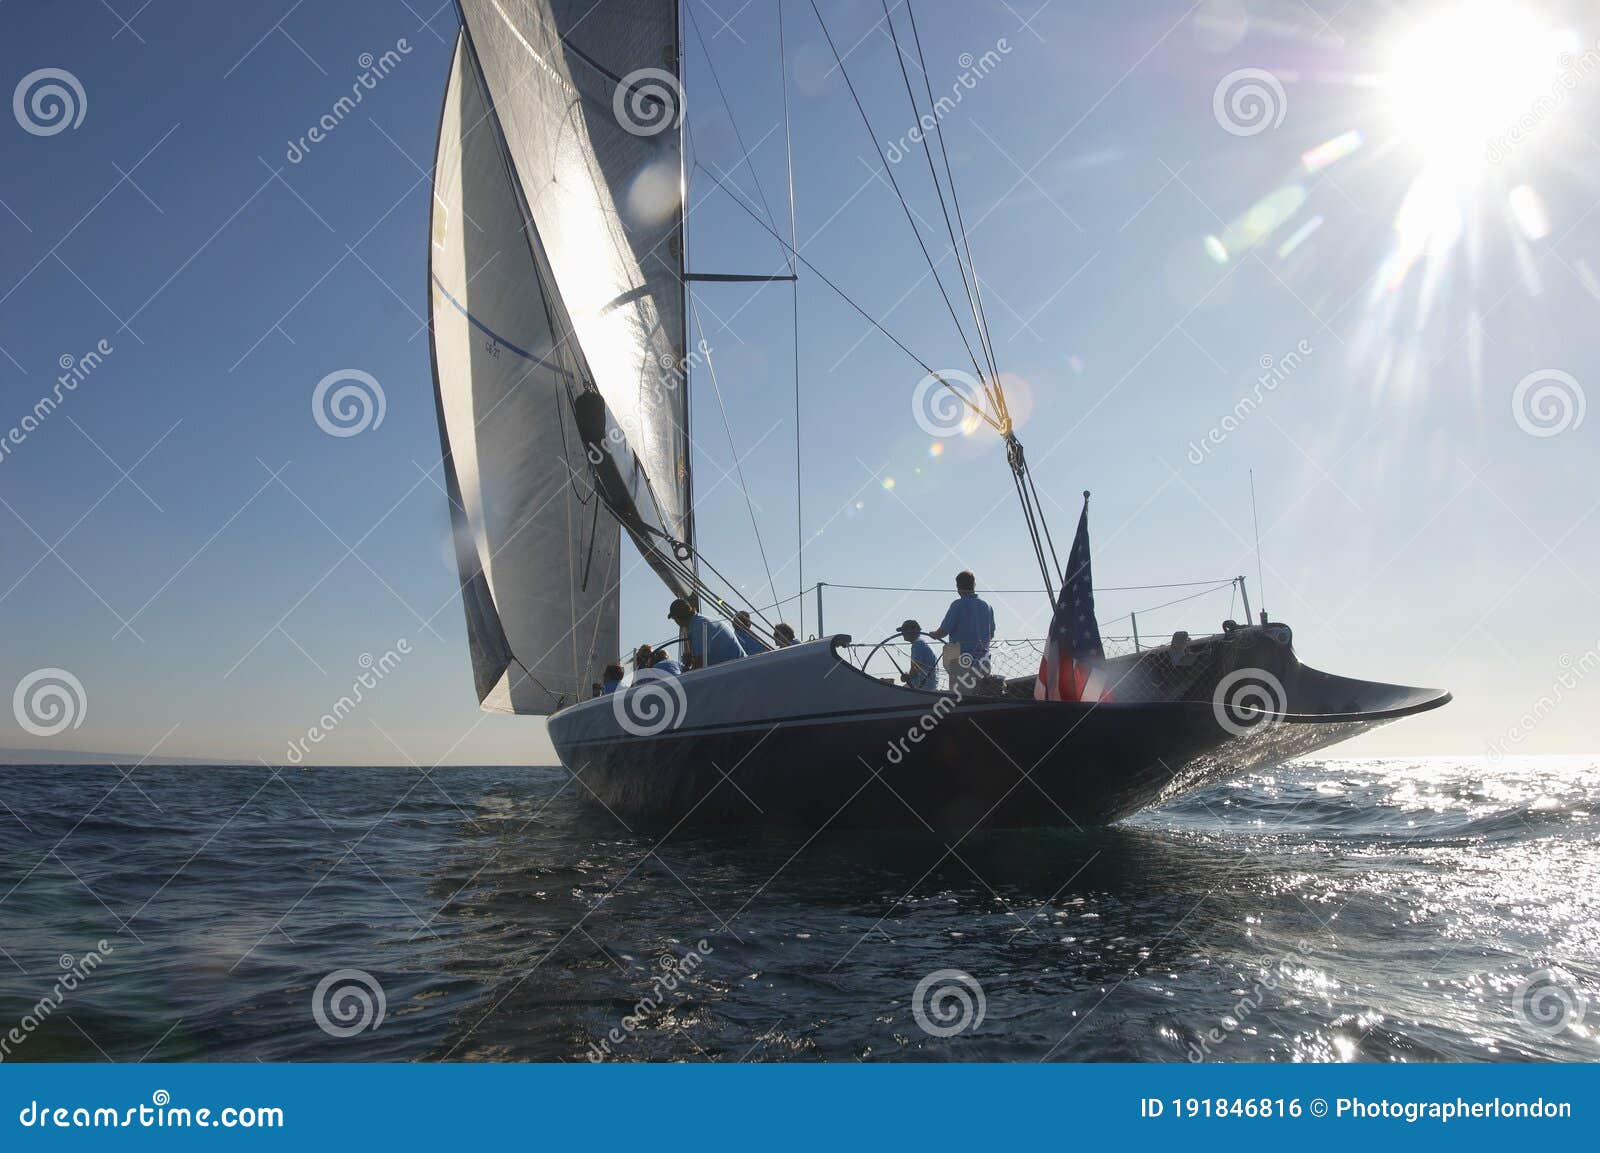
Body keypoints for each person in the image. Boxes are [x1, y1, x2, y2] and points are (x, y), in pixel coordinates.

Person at [929, 570, 994, 689]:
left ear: (957, 587)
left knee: (960, 699)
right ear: (974, 585)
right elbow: (991, 635)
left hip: (963, 664)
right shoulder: (987, 606)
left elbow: (943, 632)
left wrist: (933, 634)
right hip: (984, 663)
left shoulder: (957, 605)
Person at [668, 598, 744, 668]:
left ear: (679, 617)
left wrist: (685, 676)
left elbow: (701, 662)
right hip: (735, 666)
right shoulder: (699, 621)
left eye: (675, 618)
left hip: (736, 668)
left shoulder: (698, 627)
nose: (676, 622)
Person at [899, 619, 938, 691]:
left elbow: (916, 667)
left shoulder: (918, 644)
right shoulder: (921, 643)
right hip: (927, 686)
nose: (902, 633)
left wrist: (907, 677)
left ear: (912, 631)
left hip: (922, 687)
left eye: (904, 630)